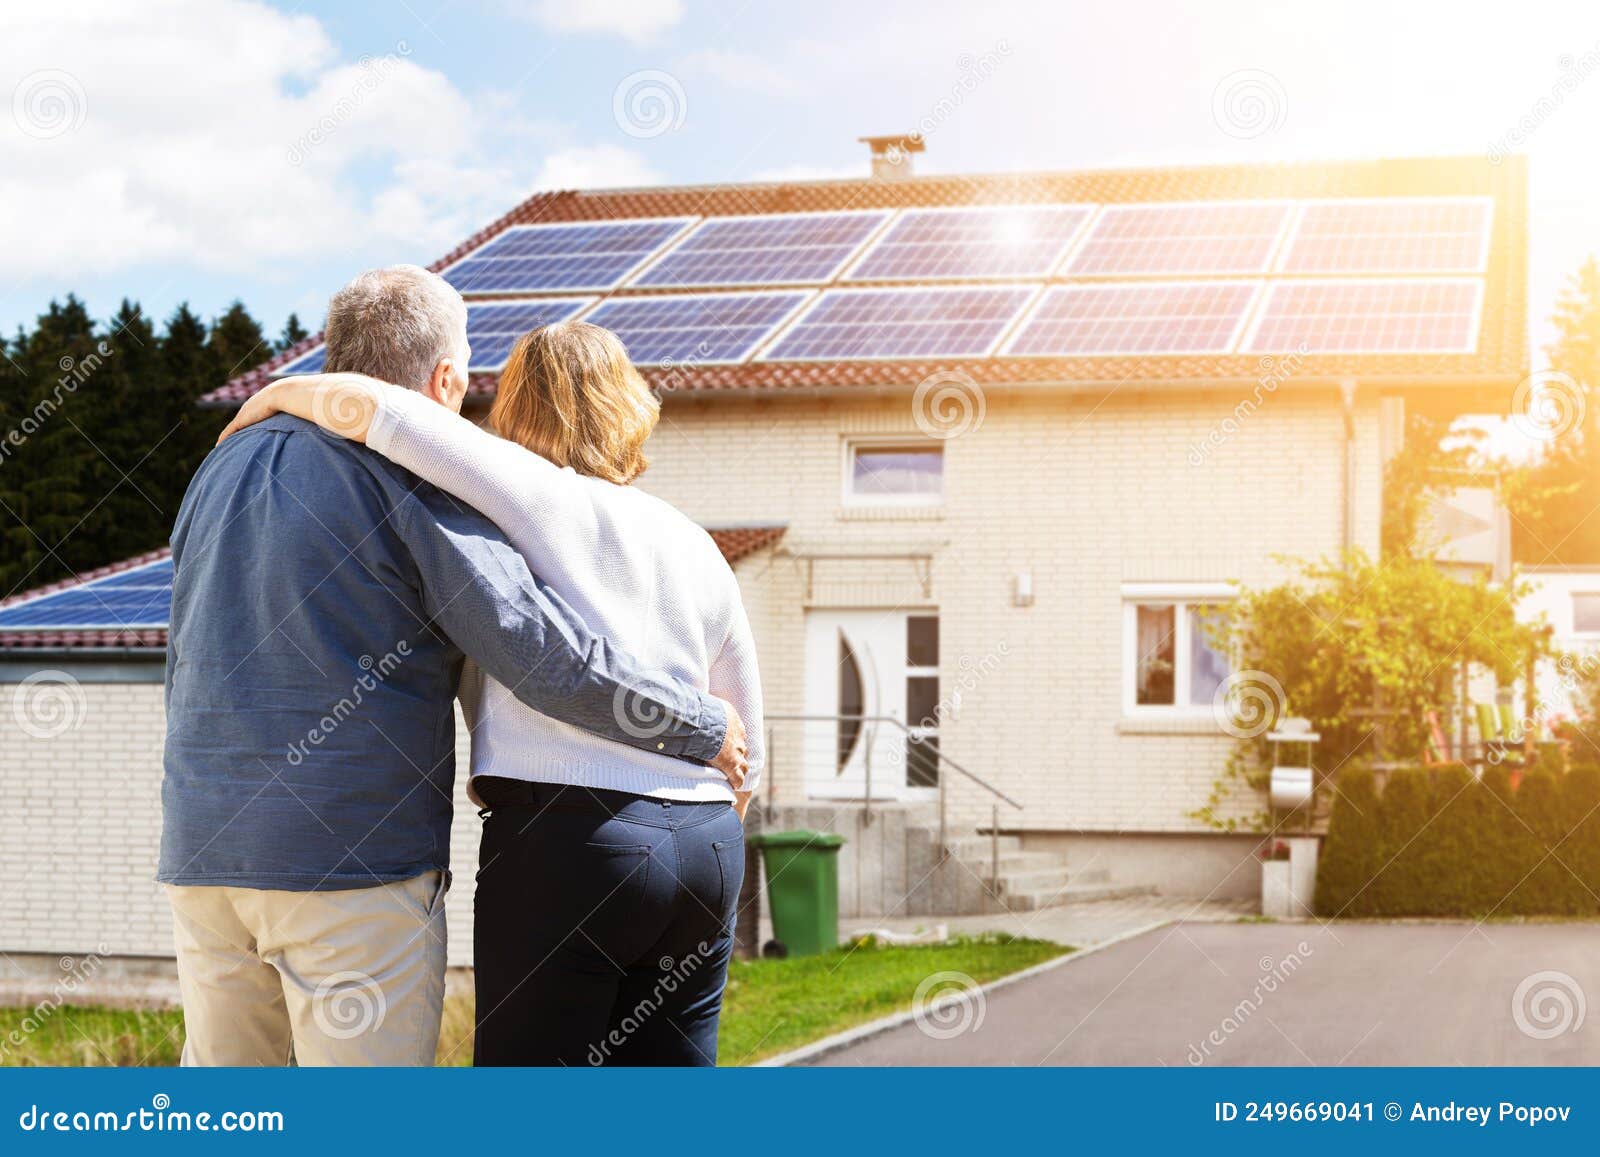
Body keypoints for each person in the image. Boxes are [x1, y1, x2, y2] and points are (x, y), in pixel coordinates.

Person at [163, 267, 747, 1068]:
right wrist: (701, 727)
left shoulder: (217, 469)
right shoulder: (413, 478)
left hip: (202, 855)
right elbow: (543, 653)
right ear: (442, 381)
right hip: (352, 868)